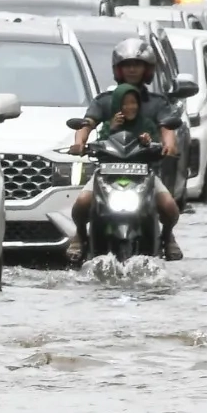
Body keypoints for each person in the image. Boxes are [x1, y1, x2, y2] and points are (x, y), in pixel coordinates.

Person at [68, 37, 182, 262]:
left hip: (145, 172)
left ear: (147, 69)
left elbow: (167, 127)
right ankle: (80, 235)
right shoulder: (105, 101)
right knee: (81, 203)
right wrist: (80, 142)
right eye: (127, 65)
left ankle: (168, 236)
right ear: (118, 69)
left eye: (137, 64)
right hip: (107, 172)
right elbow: (87, 124)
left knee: (169, 207)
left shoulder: (157, 102)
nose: (132, 69)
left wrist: (168, 145)